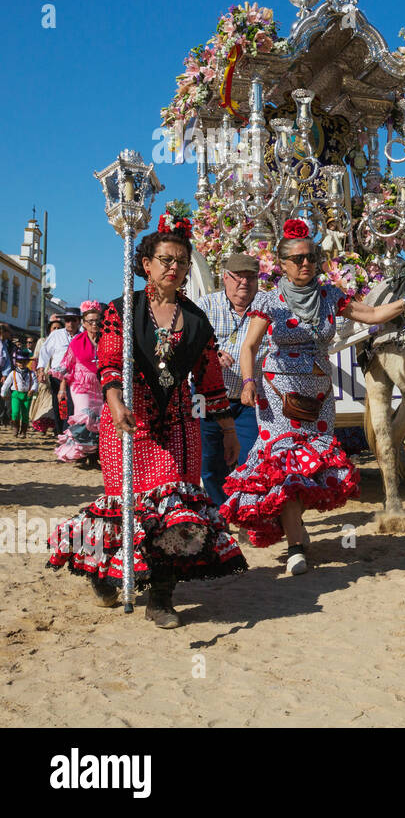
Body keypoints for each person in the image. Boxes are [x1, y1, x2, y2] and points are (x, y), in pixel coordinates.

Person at [46, 208, 247, 627]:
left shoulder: (195, 320)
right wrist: (115, 401)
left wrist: (227, 427)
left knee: (176, 511)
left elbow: (209, 379)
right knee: (128, 509)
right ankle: (100, 570)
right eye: (166, 260)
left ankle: (161, 596)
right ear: (146, 264)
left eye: (182, 261)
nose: (174, 268)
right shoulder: (122, 310)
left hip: (178, 425)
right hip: (129, 422)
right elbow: (108, 363)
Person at [220, 219, 405, 575]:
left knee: (310, 465)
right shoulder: (270, 301)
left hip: (319, 396)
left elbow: (371, 315)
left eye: (311, 257)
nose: (305, 264)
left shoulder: (330, 296)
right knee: (285, 465)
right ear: (283, 265)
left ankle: (295, 527)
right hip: (279, 396)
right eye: (297, 259)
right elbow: (250, 345)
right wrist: (247, 381)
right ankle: (294, 547)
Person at [196, 253, 267, 504]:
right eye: (238, 278)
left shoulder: (267, 307)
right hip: (206, 398)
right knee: (209, 460)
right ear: (225, 278)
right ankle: (219, 513)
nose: (244, 284)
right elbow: (188, 343)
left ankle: (246, 512)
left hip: (249, 400)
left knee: (251, 459)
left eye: (250, 278)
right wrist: (211, 353)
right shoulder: (206, 306)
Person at [53, 301, 105, 466]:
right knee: (84, 417)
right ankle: (82, 454)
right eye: (90, 321)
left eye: (97, 320)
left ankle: (94, 455)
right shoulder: (76, 342)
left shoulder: (107, 340)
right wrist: (62, 388)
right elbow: (67, 366)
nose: (94, 324)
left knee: (101, 420)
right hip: (80, 386)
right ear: (84, 323)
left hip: (101, 385)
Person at [36, 313, 71, 434]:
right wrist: (40, 370)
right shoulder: (56, 335)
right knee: (58, 405)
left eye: (74, 320)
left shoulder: (82, 334)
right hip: (56, 376)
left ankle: (68, 432)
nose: (71, 323)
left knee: (71, 404)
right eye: (68, 320)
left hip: (75, 377)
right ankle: (60, 431)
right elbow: (44, 353)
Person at [1, 349, 37, 437]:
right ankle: (15, 427)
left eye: (24, 361)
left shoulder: (31, 373)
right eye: (19, 361)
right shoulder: (13, 373)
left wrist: (32, 390)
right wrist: (3, 393)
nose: (22, 363)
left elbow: (35, 383)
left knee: (25, 414)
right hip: (16, 394)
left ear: (27, 362)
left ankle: (23, 431)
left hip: (27, 395)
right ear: (16, 362)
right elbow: (6, 384)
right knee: (15, 412)